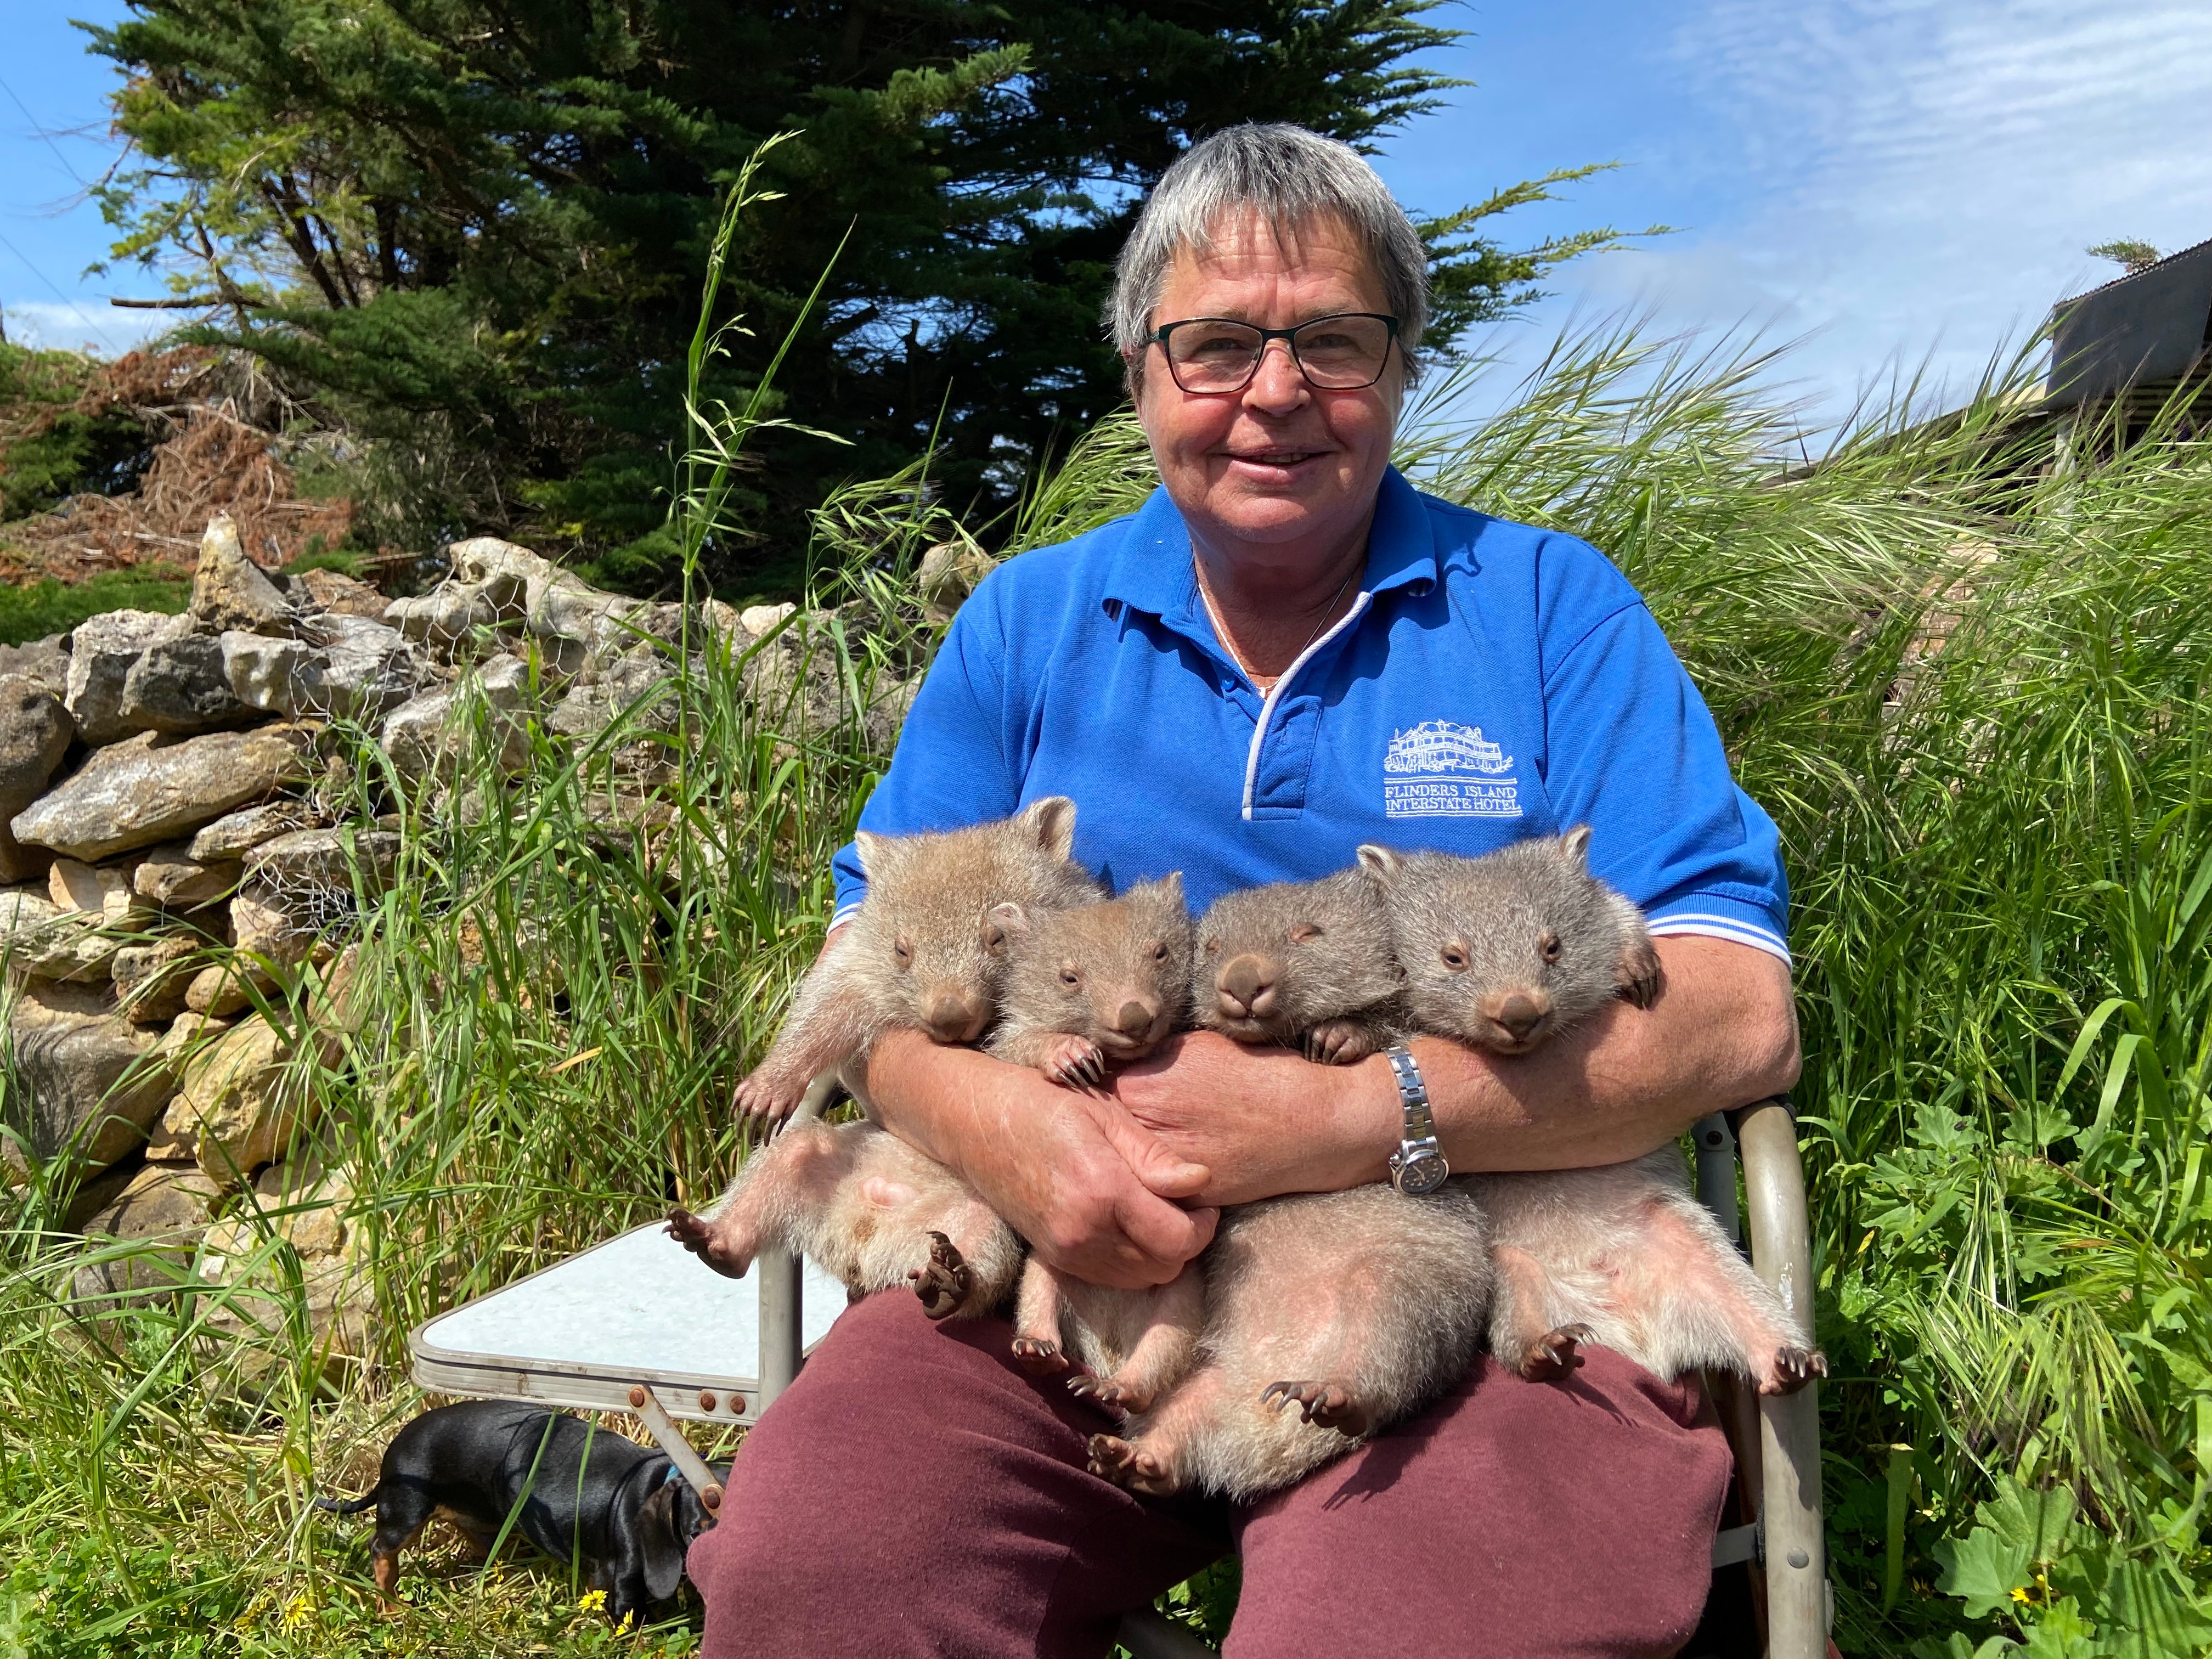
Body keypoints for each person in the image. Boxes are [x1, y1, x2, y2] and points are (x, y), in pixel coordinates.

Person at [688, 123, 1799, 1658]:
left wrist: (1366, 1115)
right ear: (1141, 371)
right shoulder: (1027, 625)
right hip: (1057, 1277)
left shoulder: (1552, 612)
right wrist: (1017, 1134)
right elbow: (869, 969)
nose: (1275, 392)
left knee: (1402, 1629)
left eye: (1333, 340)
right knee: (829, 1578)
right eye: (1216, 346)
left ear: (1403, 366)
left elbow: (1739, 1015)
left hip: (1485, 1277)